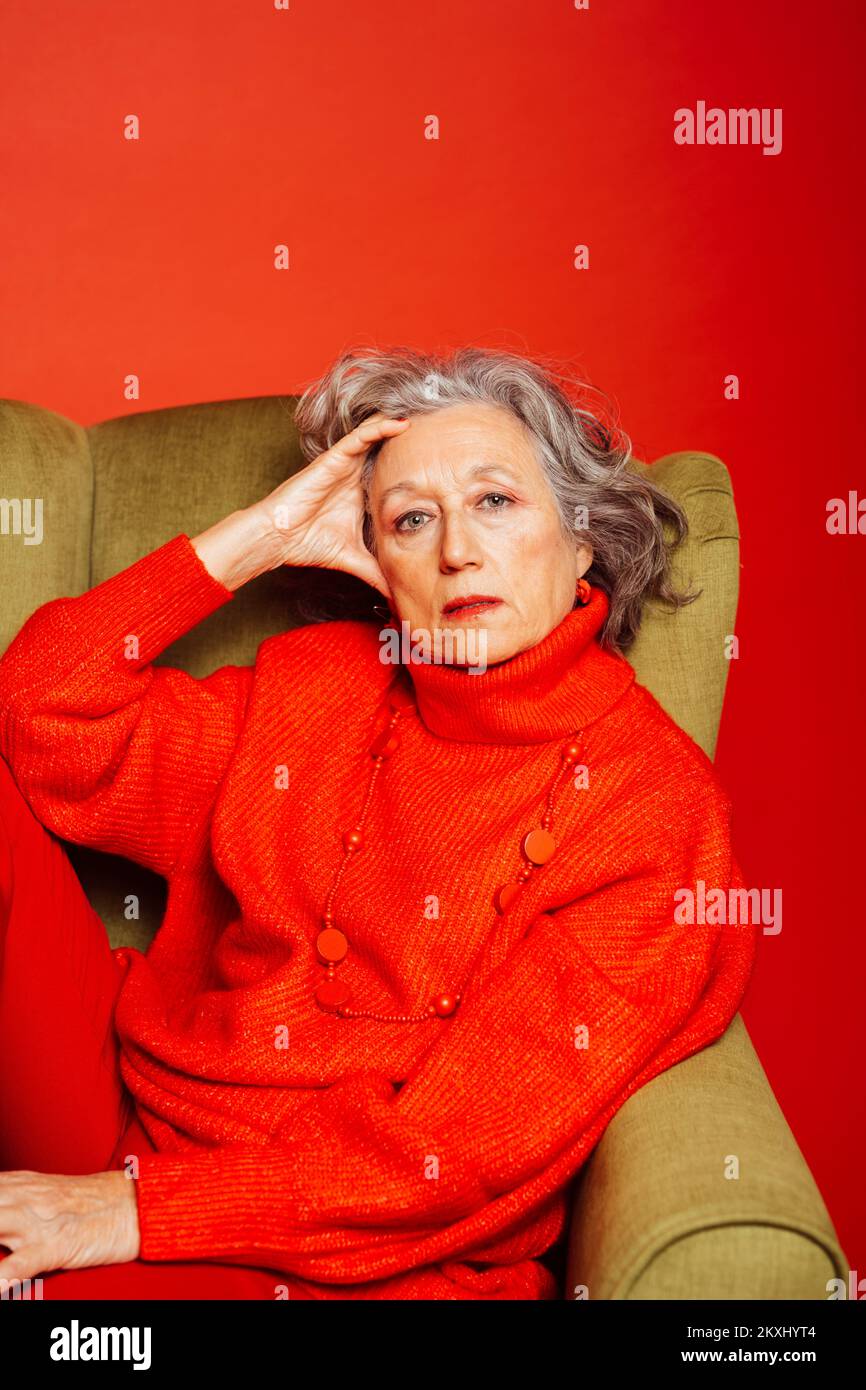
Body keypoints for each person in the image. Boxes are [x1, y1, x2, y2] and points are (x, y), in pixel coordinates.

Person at [0, 346, 757, 1300]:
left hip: (335, 1241)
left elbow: (451, 1151)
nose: (454, 552)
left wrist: (136, 1213)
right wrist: (256, 538)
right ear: (376, 563)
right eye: (410, 520)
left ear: (583, 541)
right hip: (130, 1106)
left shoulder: (653, 810)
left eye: (495, 502)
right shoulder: (316, 687)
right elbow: (41, 710)